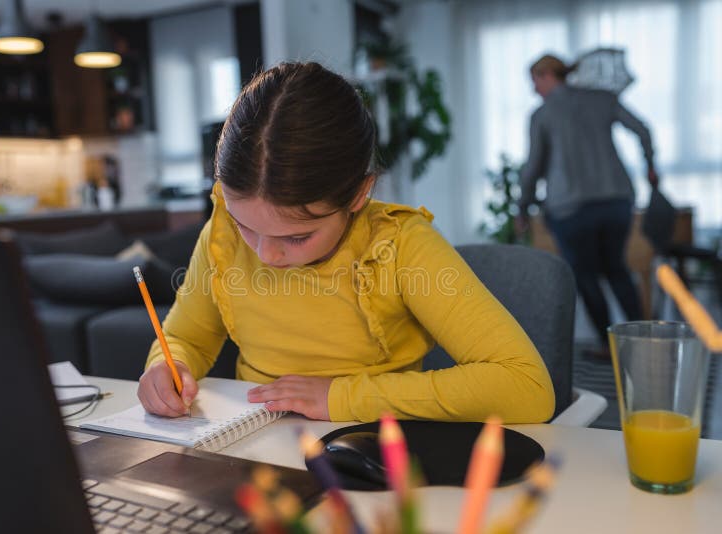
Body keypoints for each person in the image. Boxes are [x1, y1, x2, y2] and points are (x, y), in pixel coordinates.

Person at [138, 62, 555, 423]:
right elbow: (186, 338)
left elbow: (525, 384)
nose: (265, 255)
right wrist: (167, 365)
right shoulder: (222, 233)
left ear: (359, 194)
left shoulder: (399, 246)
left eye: (297, 236)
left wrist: (341, 397)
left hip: (371, 448)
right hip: (254, 448)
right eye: (245, 225)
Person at [516, 54, 658, 356]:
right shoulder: (603, 99)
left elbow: (534, 166)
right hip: (617, 201)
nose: (534, 90)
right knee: (617, 269)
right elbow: (643, 129)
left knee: (586, 275)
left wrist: (523, 207)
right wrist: (650, 165)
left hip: (570, 209)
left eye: (535, 82)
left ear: (546, 76)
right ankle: (642, 340)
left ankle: (610, 347)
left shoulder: (542, 114)